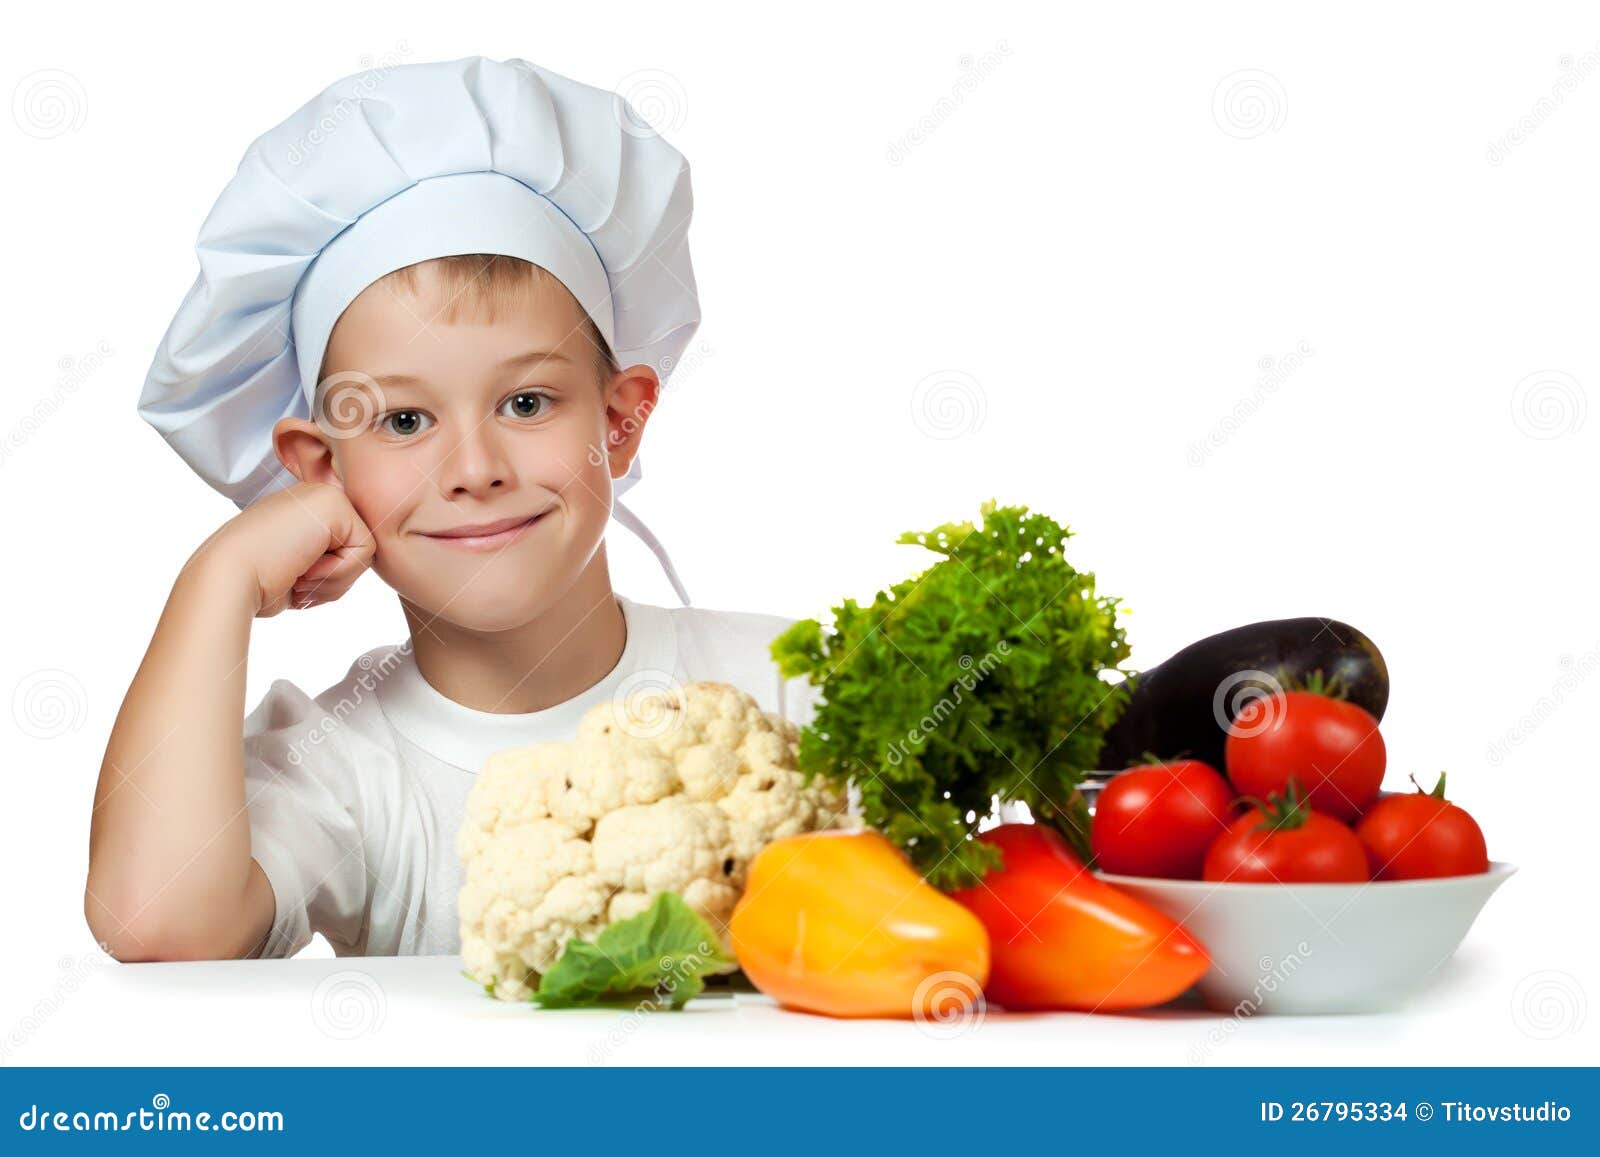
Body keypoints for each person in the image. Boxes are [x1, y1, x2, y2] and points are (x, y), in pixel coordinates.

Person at [86, 56, 815, 961]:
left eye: (526, 402)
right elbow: (156, 924)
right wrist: (219, 576)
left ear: (621, 418)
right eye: (402, 419)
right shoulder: (342, 767)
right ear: (320, 468)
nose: (474, 468)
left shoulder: (792, 685)